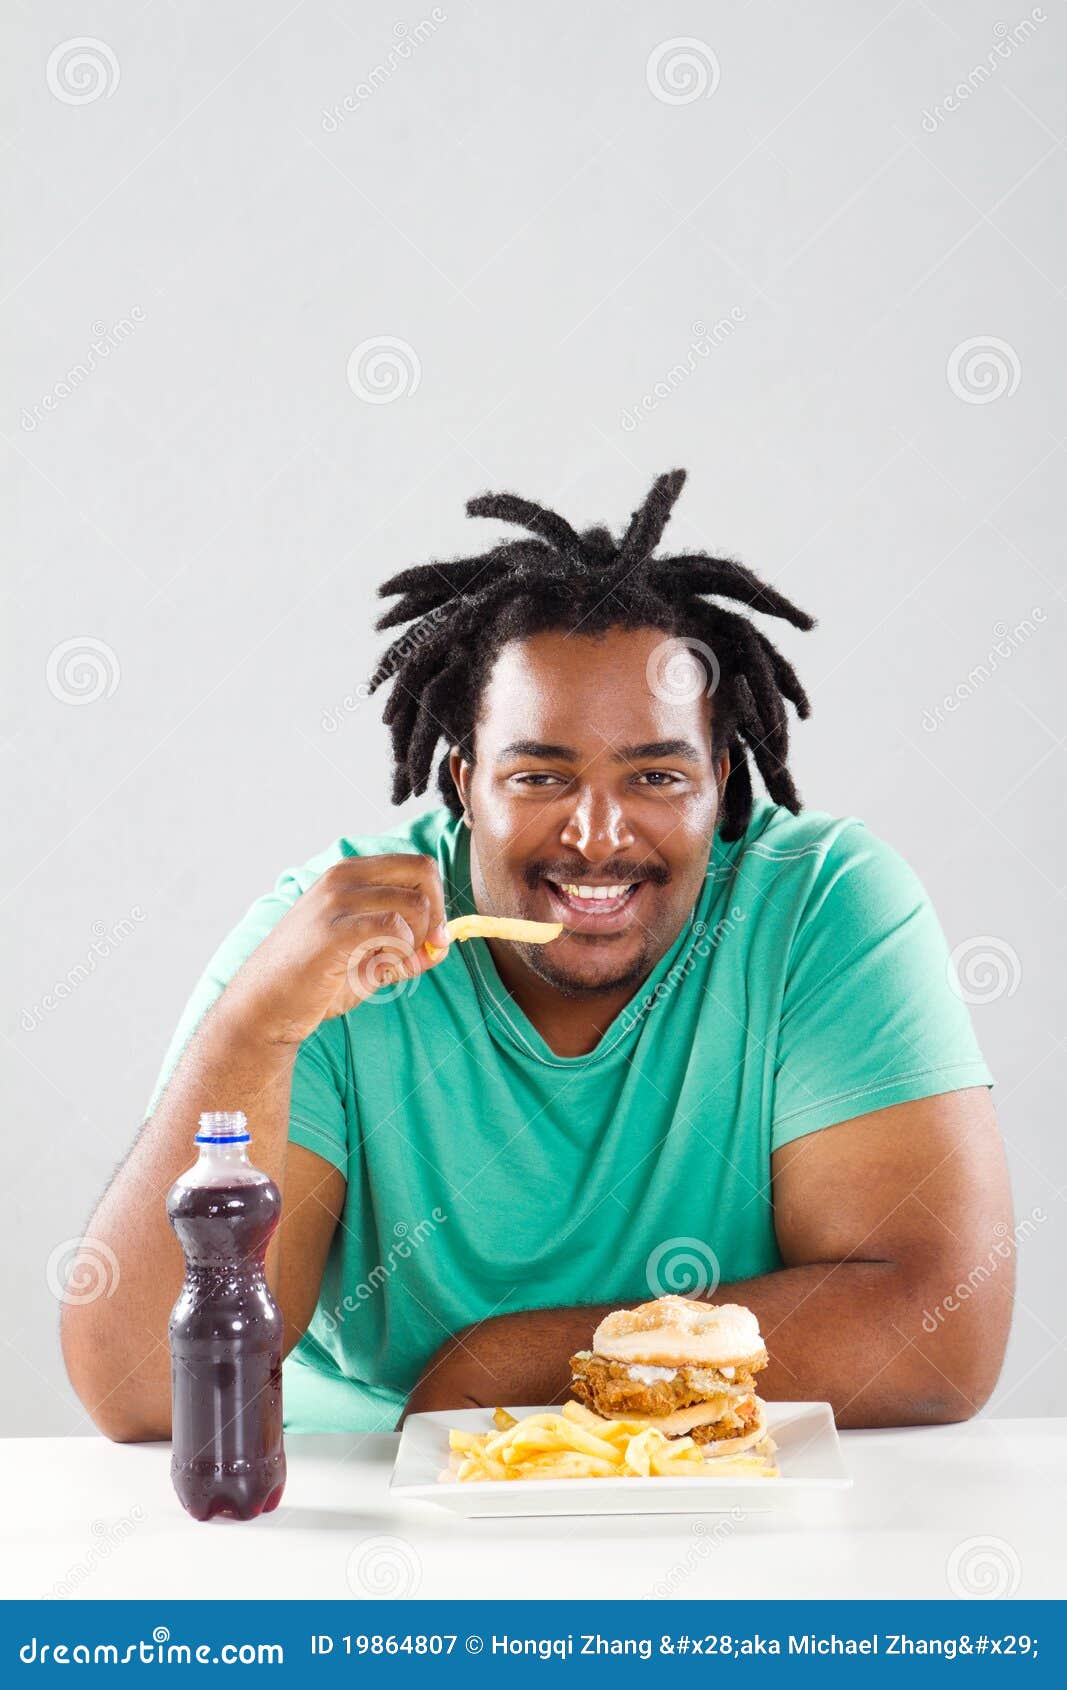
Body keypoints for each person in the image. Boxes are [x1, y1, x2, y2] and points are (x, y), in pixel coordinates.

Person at [62, 471, 1013, 1440]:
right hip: (363, 1506)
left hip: (716, 1510)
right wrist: (257, 1024)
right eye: (538, 775)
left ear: (720, 782)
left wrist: (512, 1365)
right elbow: (142, 1389)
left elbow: (938, 1326)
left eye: (655, 774)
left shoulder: (818, 910)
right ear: (464, 784)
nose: (597, 835)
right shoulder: (325, 950)